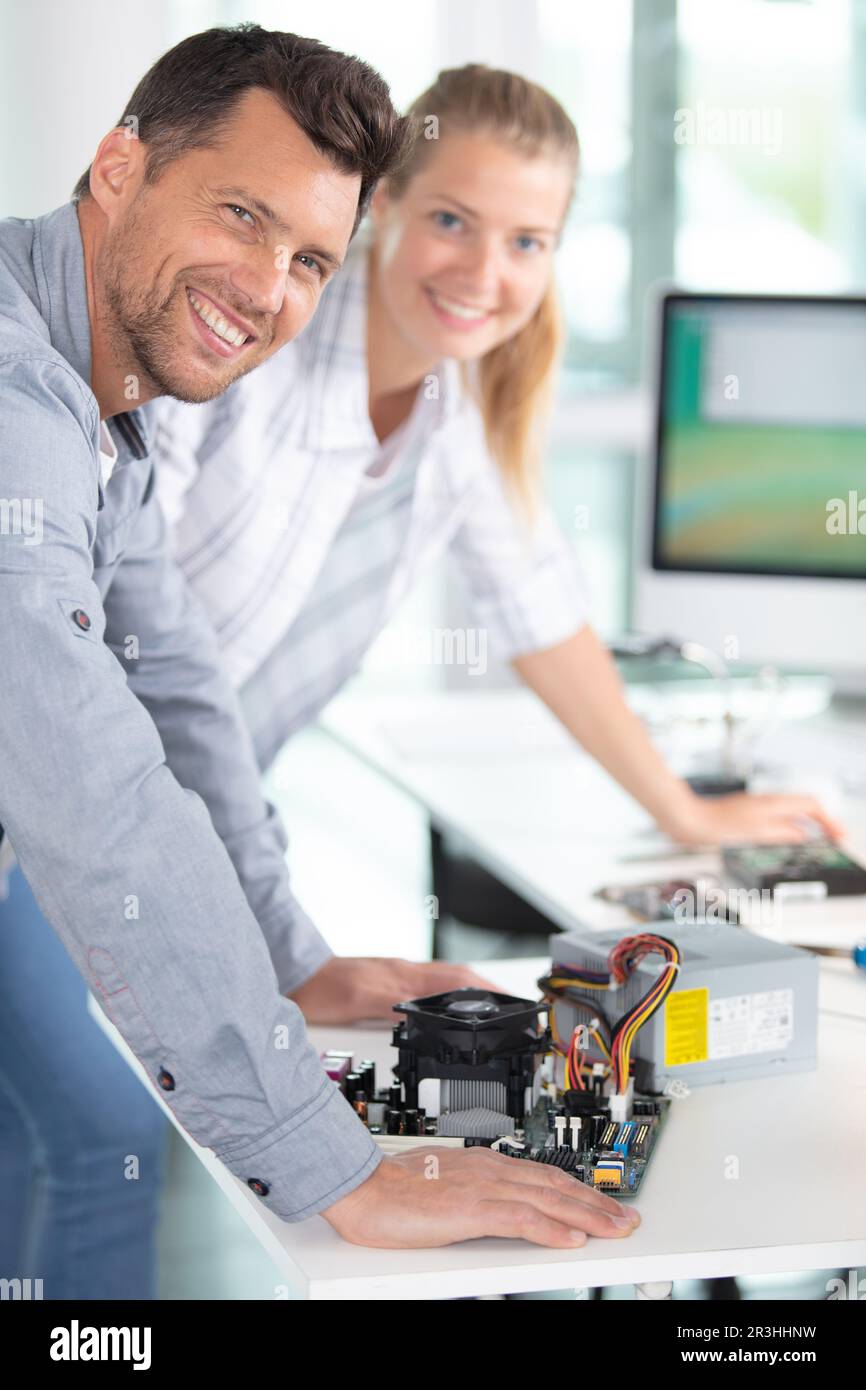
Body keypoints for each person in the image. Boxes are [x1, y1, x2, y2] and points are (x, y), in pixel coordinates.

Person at [2, 27, 609, 1306]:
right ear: (118, 166)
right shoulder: (15, 406)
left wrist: (287, 949)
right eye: (240, 212)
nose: (267, 286)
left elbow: (175, 685)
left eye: (309, 261)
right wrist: (322, 1158)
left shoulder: (109, 414)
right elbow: (91, 779)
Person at [155, 59, 843, 952]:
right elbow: (120, 612)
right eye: (452, 221)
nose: (485, 271)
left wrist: (687, 813)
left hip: (184, 829)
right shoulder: (254, 333)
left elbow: (543, 619)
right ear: (384, 203)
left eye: (527, 241)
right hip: (83, 799)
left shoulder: (463, 409)